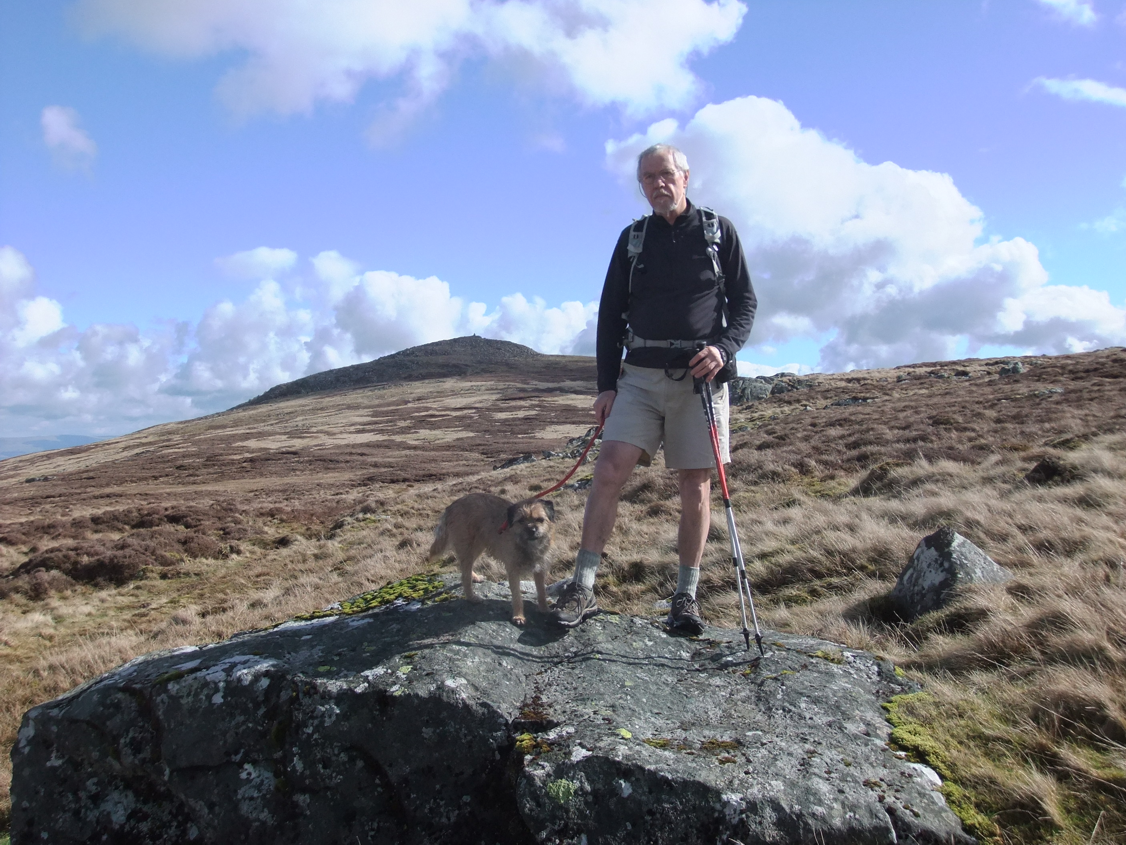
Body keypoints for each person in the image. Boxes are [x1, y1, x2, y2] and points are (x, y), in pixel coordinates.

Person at [549, 143, 757, 635]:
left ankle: (685, 597)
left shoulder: (717, 232)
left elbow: (745, 302)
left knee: (695, 484)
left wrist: (724, 349)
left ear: (686, 177)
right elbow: (608, 316)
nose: (657, 184)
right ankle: (583, 583)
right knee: (608, 470)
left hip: (700, 380)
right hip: (638, 377)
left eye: (665, 175)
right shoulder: (633, 240)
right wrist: (605, 386)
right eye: (647, 178)